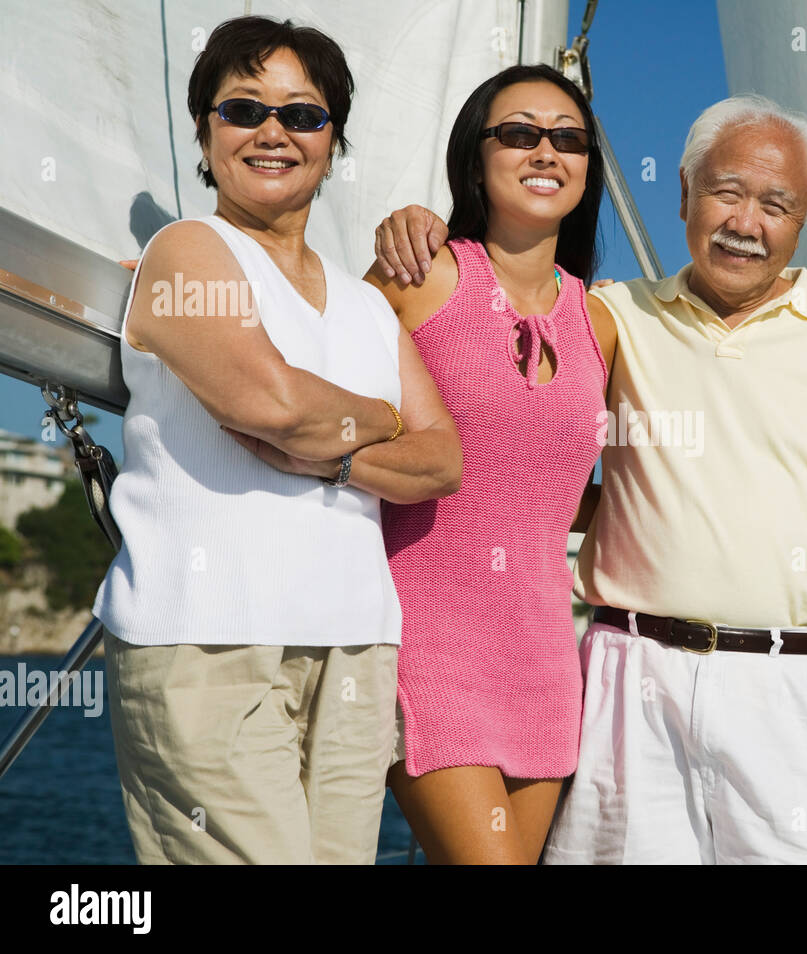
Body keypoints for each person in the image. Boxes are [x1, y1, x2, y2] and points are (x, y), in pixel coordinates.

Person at [374, 94, 807, 863]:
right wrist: (424, 226)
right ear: (686, 194)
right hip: (629, 683)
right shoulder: (614, 317)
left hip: (786, 687)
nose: (746, 222)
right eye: (726, 192)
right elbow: (516, 442)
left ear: (804, 223)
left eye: (776, 205)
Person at [92, 15, 462, 864]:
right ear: (203, 129)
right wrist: (382, 420)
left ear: (333, 142)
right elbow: (272, 403)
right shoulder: (188, 251)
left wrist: (329, 450)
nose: (272, 131)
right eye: (242, 109)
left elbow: (443, 461)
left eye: (303, 115)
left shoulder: (366, 303)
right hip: (208, 644)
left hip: (357, 644)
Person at [363, 64, 616, 864]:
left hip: (542, 659)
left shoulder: (600, 321)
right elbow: (325, 405)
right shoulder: (420, 277)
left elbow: (561, 491)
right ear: (475, 159)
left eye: (567, 138)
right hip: (425, 642)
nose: (545, 150)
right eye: (518, 133)